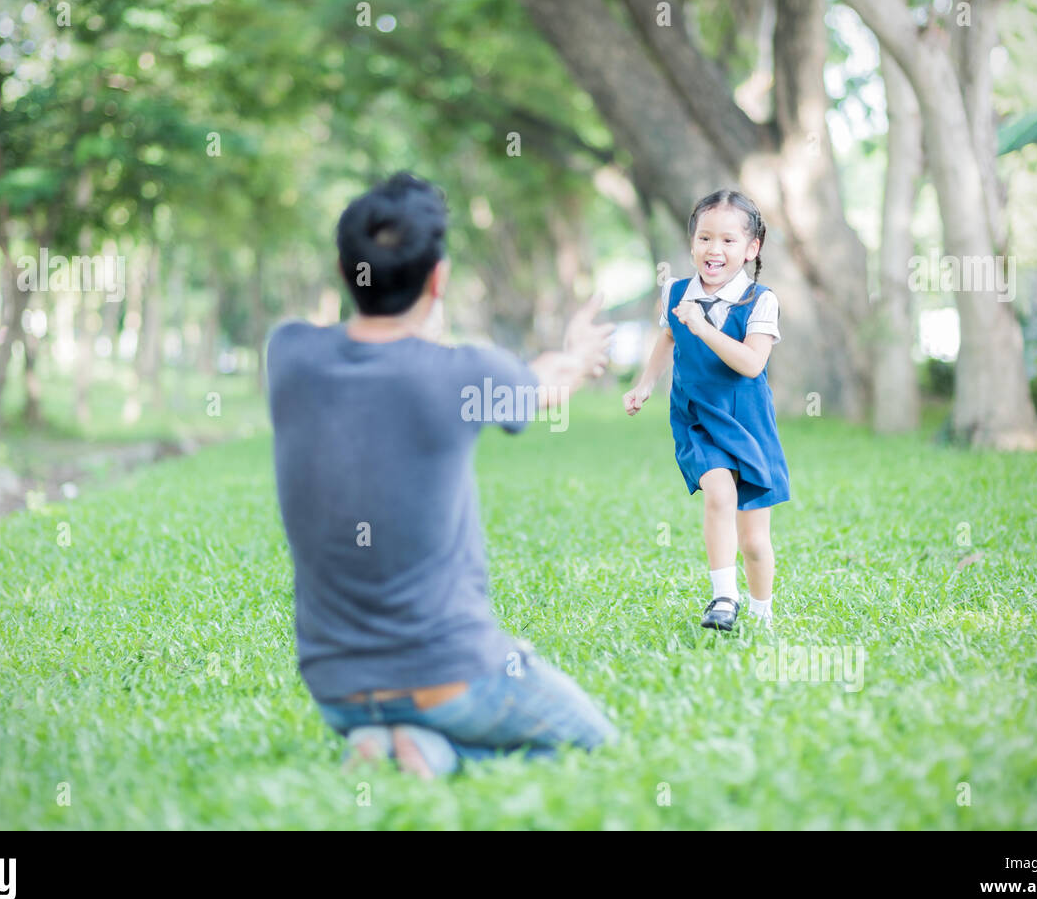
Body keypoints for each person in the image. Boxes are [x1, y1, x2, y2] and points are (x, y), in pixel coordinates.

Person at [266, 171, 618, 779]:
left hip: (335, 689)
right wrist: (578, 356)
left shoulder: (289, 356)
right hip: (452, 678)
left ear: (348, 270)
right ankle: (442, 756)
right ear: (439, 277)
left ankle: (386, 740)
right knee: (592, 745)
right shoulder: (461, 376)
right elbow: (547, 384)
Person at [622, 190, 790, 631]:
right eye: (705, 238)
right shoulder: (675, 292)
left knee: (754, 541)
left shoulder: (761, 301)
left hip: (748, 424)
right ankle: (723, 597)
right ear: (692, 242)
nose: (714, 250)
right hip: (697, 417)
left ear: (752, 249)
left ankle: (761, 613)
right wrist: (643, 384)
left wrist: (702, 326)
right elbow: (669, 338)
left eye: (729, 241)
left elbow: (752, 363)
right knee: (718, 492)